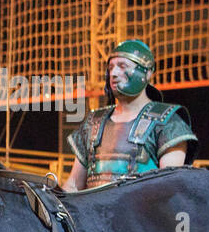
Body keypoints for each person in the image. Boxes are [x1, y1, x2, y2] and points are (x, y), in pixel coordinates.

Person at [66, 40, 196, 190]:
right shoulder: (94, 122)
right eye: (111, 67)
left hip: (143, 212)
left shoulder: (168, 122)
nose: (113, 73)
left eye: (122, 66)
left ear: (147, 72)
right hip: (93, 212)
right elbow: (72, 186)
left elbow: (167, 190)